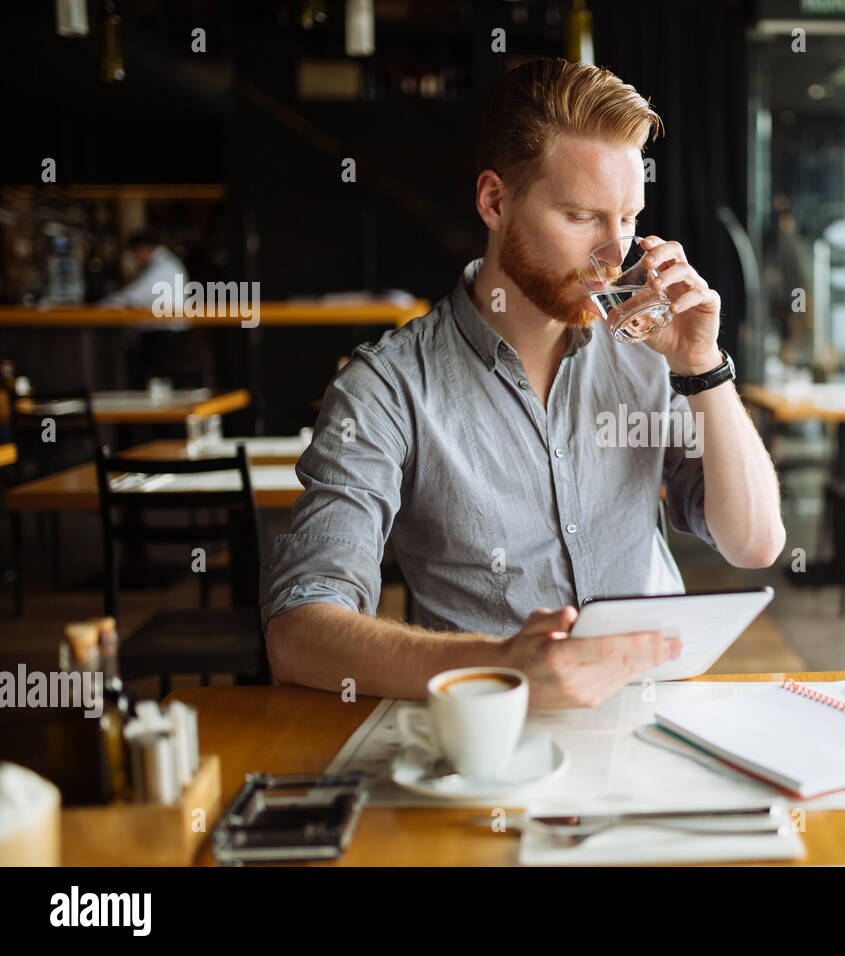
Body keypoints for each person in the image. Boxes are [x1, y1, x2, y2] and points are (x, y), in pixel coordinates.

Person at [261, 59, 786, 708]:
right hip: (488, 739)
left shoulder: (650, 353)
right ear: (495, 201)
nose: (612, 256)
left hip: (652, 719)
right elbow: (298, 634)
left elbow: (756, 542)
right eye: (581, 217)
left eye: (627, 219)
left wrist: (703, 365)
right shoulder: (386, 389)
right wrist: (505, 665)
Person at [99, 230, 187, 307]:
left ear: (141, 248)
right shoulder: (163, 262)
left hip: (165, 324)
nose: (135, 258)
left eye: (134, 253)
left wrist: (102, 305)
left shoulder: (165, 267)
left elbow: (134, 297)